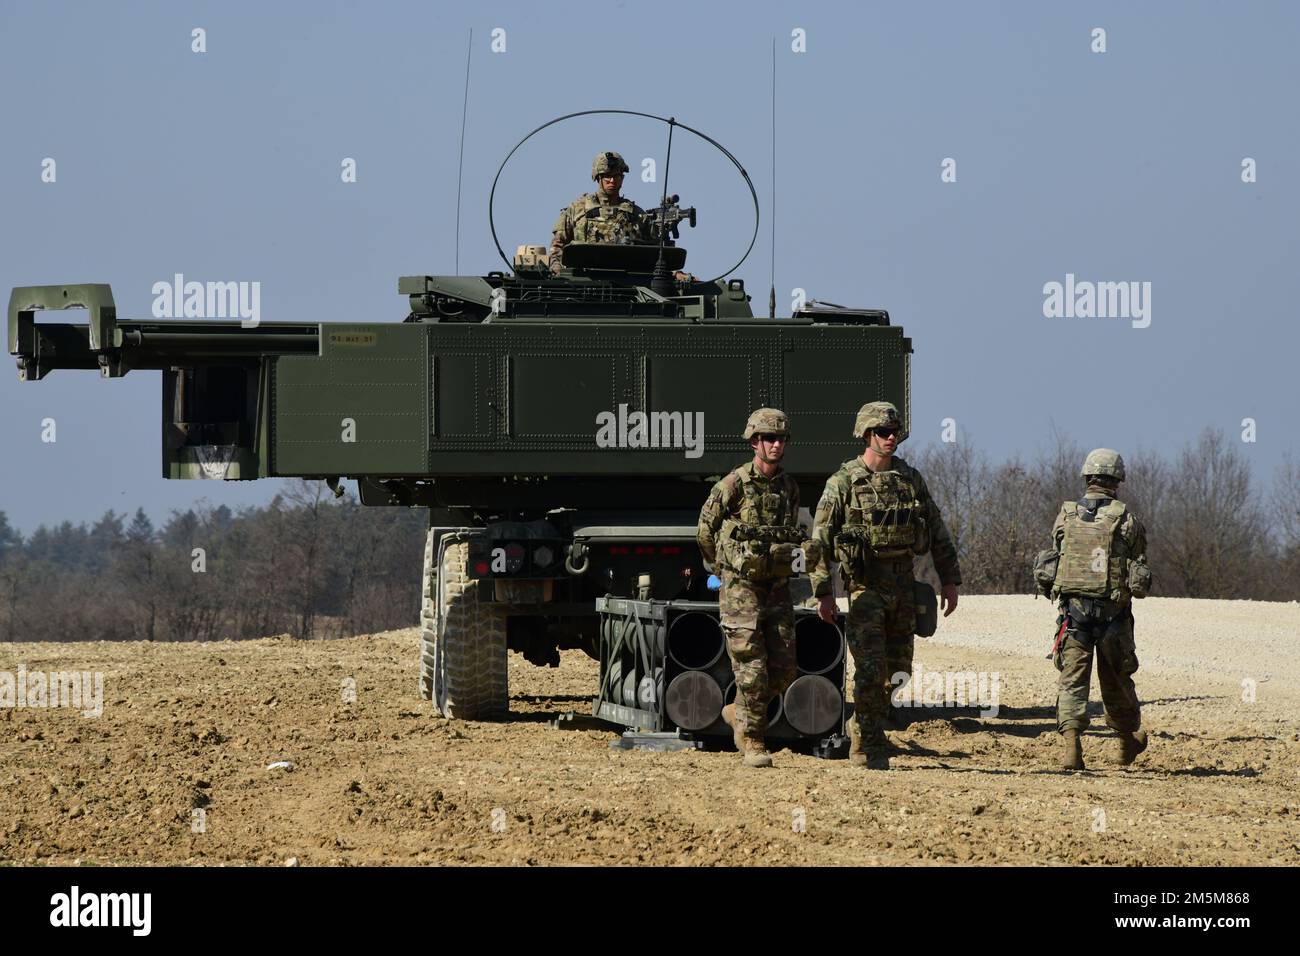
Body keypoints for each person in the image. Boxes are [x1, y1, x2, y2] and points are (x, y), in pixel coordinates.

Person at [810, 402, 961, 769]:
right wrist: (824, 592)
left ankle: (862, 722)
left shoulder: (910, 479)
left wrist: (950, 579)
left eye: (895, 432)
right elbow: (818, 542)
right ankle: (868, 748)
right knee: (870, 671)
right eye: (883, 432)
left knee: (898, 672)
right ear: (866, 435)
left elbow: (937, 530)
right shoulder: (843, 482)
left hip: (904, 588)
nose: (891, 438)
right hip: (865, 590)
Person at [697, 408, 805, 768]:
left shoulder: (789, 488)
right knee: (752, 667)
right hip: (740, 587)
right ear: (755, 442)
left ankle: (737, 713)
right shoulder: (732, 485)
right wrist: (724, 568)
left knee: (785, 668)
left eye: (781, 439)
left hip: (776, 587)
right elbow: (705, 531)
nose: (776, 444)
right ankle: (754, 741)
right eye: (769, 438)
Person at [1035, 448, 1151, 771]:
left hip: (1074, 617)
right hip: (1113, 617)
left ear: (1087, 478)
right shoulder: (1126, 520)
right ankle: (1126, 741)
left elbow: (1055, 554)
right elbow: (1140, 568)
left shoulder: (1066, 516)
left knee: (1072, 682)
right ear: (1117, 480)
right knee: (1116, 680)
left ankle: (1072, 748)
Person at [549, 151, 650, 272]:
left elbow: (656, 251)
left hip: (626, 281)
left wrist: (675, 273)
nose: (612, 180)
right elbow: (557, 245)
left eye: (616, 176)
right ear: (598, 178)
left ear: (622, 178)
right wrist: (557, 268)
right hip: (583, 280)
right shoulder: (577, 209)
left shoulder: (636, 214)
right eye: (607, 176)